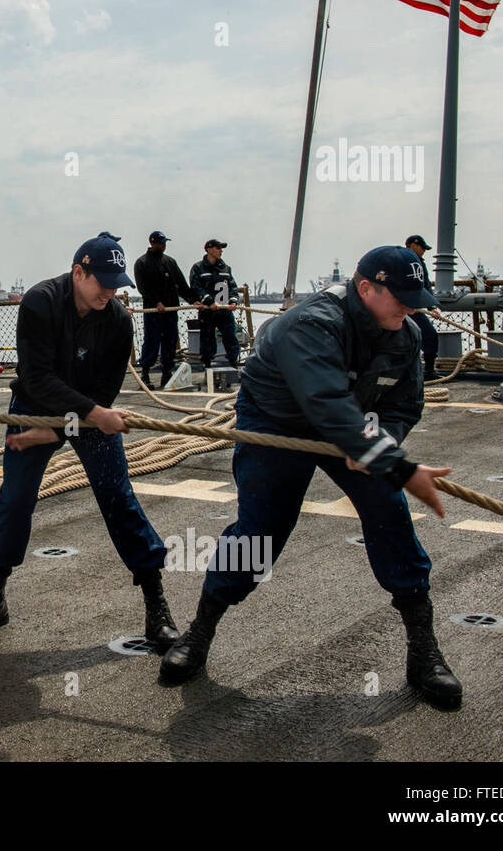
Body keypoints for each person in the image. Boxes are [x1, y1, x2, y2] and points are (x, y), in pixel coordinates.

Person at [159, 246, 462, 710]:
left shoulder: (407, 334)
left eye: (414, 298)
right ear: (366, 289)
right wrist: (393, 463)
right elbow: (325, 402)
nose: (411, 307)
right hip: (276, 422)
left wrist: (384, 439)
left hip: (353, 427)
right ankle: (199, 632)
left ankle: (423, 652)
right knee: (260, 532)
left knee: (390, 515)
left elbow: (403, 404)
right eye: (401, 297)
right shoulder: (313, 324)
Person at [0, 232, 180, 649]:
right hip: (35, 407)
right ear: (78, 272)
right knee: (15, 497)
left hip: (86, 415)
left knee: (118, 496)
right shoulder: (39, 302)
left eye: (117, 284)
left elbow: (105, 391)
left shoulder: (118, 321)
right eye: (104, 282)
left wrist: (66, 428)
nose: (111, 292)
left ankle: (157, 606)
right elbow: (36, 378)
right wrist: (70, 421)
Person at [133, 230, 201, 388]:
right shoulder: (142, 262)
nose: (163, 246)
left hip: (171, 310)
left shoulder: (170, 262)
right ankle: (145, 373)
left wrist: (194, 300)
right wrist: (156, 302)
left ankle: (166, 373)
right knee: (152, 341)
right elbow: (143, 287)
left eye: (164, 243)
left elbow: (181, 285)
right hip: (153, 311)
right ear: (153, 243)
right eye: (161, 243)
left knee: (170, 341)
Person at [189, 239, 240, 369]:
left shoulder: (226, 268)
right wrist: (209, 302)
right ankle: (207, 366)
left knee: (230, 337)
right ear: (209, 250)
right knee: (207, 338)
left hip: (224, 311)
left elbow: (232, 287)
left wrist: (233, 301)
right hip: (207, 311)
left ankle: (234, 364)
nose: (221, 251)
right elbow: (196, 287)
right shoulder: (198, 268)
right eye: (218, 248)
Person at [405, 234, 439, 378]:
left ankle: (428, 371)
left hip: (414, 307)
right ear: (414, 245)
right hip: (403, 307)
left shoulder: (420, 263)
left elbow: (425, 286)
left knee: (429, 335)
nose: (424, 251)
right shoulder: (404, 262)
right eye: (422, 248)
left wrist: (432, 306)